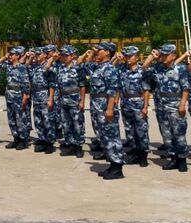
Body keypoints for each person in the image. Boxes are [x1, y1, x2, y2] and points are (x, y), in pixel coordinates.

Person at [147, 44, 190, 172]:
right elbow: (144, 67)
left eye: (166, 55)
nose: (164, 57)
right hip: (161, 106)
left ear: (173, 56)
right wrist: (152, 57)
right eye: (162, 55)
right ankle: (173, 158)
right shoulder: (158, 68)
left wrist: (182, 104)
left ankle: (182, 160)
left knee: (179, 133)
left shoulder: (181, 69)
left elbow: (186, 88)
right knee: (166, 134)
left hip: (175, 105)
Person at [90, 42, 124, 180]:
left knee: (112, 137)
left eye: (100, 50)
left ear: (108, 52)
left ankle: (117, 167)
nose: (97, 51)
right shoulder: (99, 67)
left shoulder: (109, 69)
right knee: (104, 137)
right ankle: (112, 164)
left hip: (105, 107)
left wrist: (110, 109)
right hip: (98, 106)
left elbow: (112, 92)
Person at [117, 46, 150, 167]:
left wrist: (146, 106)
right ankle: (134, 153)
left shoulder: (142, 71)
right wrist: (118, 58)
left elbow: (146, 90)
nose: (127, 58)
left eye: (130, 56)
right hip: (125, 102)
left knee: (141, 130)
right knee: (129, 130)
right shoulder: (122, 69)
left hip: (138, 103)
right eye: (126, 56)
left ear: (136, 57)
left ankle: (143, 155)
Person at [51, 45, 85, 157]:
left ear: (72, 56)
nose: (63, 57)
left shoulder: (78, 67)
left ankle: (78, 146)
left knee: (77, 124)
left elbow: (82, 86)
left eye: (66, 55)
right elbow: (46, 67)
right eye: (62, 55)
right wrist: (54, 57)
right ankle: (70, 144)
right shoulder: (60, 68)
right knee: (66, 125)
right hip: (63, 101)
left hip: (75, 100)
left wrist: (82, 101)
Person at [0, 46, 32, 149]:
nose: (10, 56)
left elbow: (26, 83)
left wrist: (25, 97)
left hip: (18, 96)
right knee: (11, 119)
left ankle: (23, 140)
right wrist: (5, 56)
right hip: (10, 97)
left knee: (20, 119)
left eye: (12, 54)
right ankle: (16, 138)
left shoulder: (22, 67)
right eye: (10, 54)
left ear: (17, 56)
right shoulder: (8, 66)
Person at [29, 48, 55, 153]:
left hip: (44, 95)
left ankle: (50, 143)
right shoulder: (34, 66)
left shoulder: (48, 67)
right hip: (36, 97)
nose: (37, 56)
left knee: (47, 120)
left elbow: (52, 84)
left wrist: (50, 98)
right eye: (36, 54)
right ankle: (42, 140)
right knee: (38, 120)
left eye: (39, 54)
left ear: (44, 55)